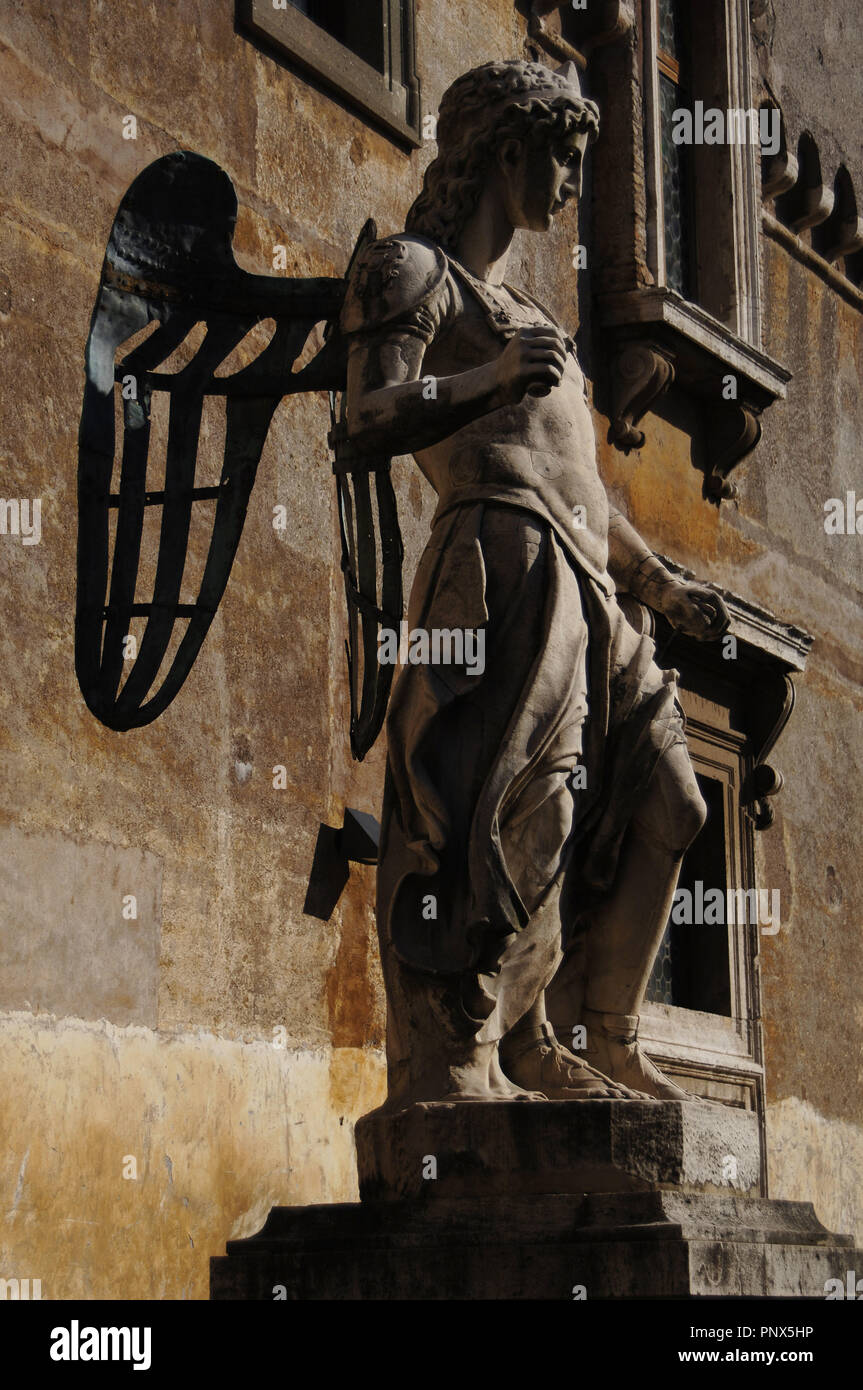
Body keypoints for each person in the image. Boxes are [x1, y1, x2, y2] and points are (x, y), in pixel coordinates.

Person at [340, 59, 729, 1108]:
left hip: (587, 585)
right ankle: (472, 1055)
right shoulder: (413, 273)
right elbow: (363, 418)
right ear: (504, 149)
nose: (570, 183)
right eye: (561, 157)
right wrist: (488, 377)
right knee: (502, 819)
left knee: (674, 801)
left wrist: (657, 582)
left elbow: (587, 487)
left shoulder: (524, 305)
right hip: (496, 568)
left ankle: (598, 1030)